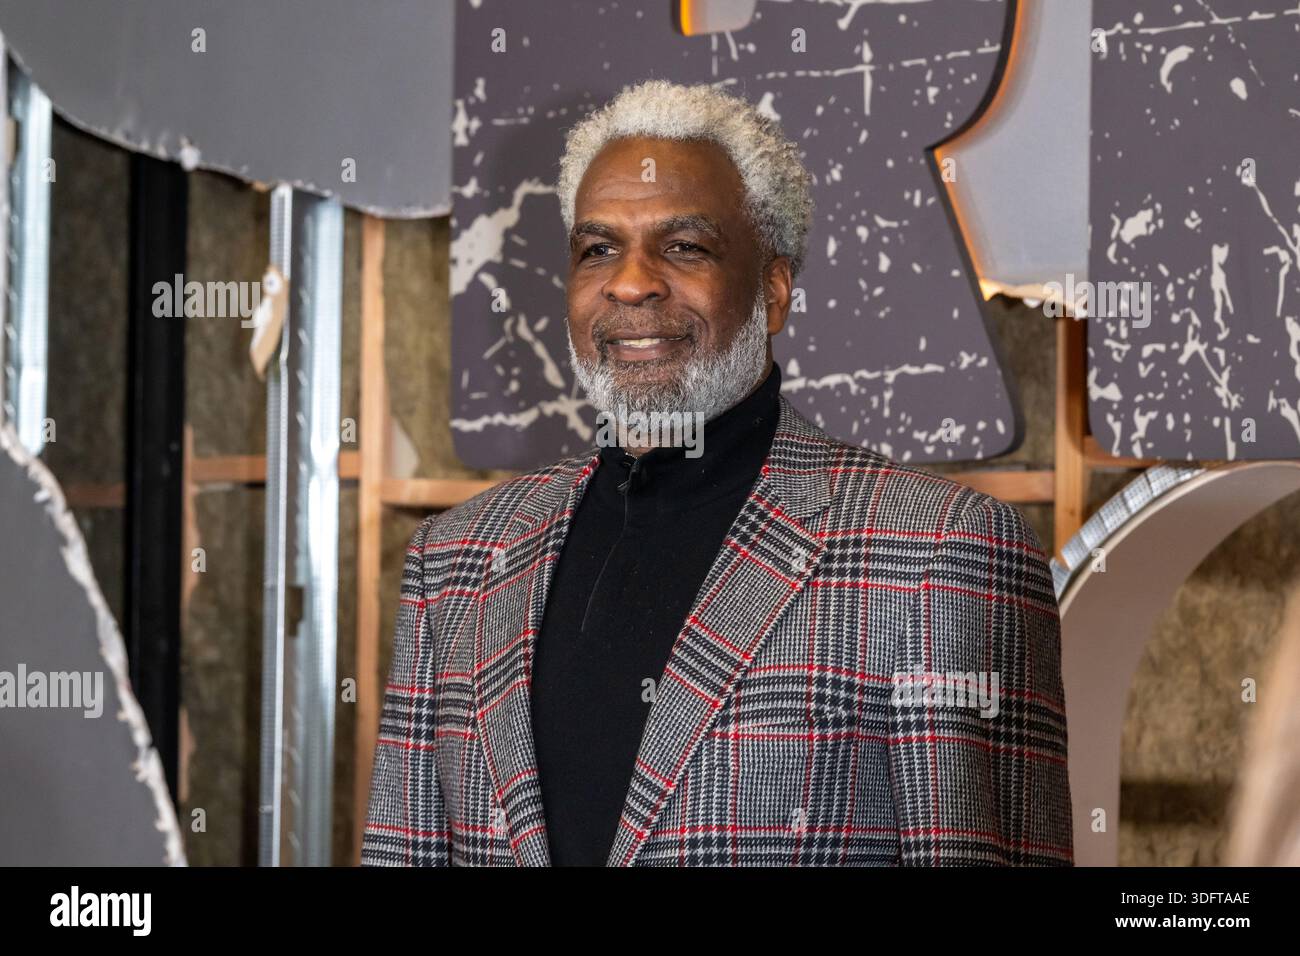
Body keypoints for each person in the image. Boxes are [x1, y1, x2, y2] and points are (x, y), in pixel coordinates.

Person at [362, 79, 1072, 866]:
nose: (631, 282)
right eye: (599, 248)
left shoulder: (940, 555)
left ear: (773, 289)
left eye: (684, 246)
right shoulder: (454, 563)